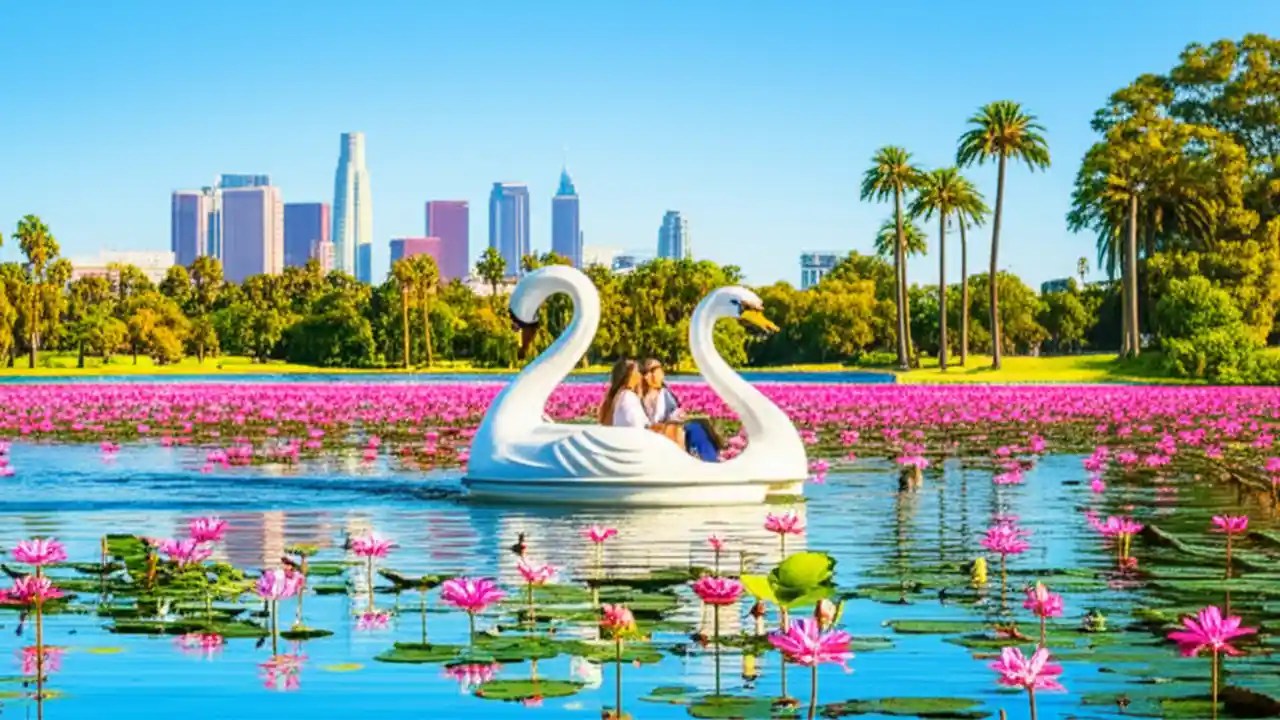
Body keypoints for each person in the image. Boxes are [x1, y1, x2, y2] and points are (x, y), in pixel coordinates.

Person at [640, 358, 721, 462]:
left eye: (660, 368)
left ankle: (708, 459)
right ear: (647, 375)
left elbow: (674, 411)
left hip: (672, 427)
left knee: (702, 424)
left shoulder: (664, 392)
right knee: (695, 429)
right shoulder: (646, 397)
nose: (661, 372)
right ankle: (707, 461)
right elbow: (653, 421)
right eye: (656, 369)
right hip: (663, 430)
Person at [599, 359, 649, 429]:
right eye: (639, 372)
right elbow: (637, 426)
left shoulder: (617, 396)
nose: (643, 376)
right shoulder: (628, 398)